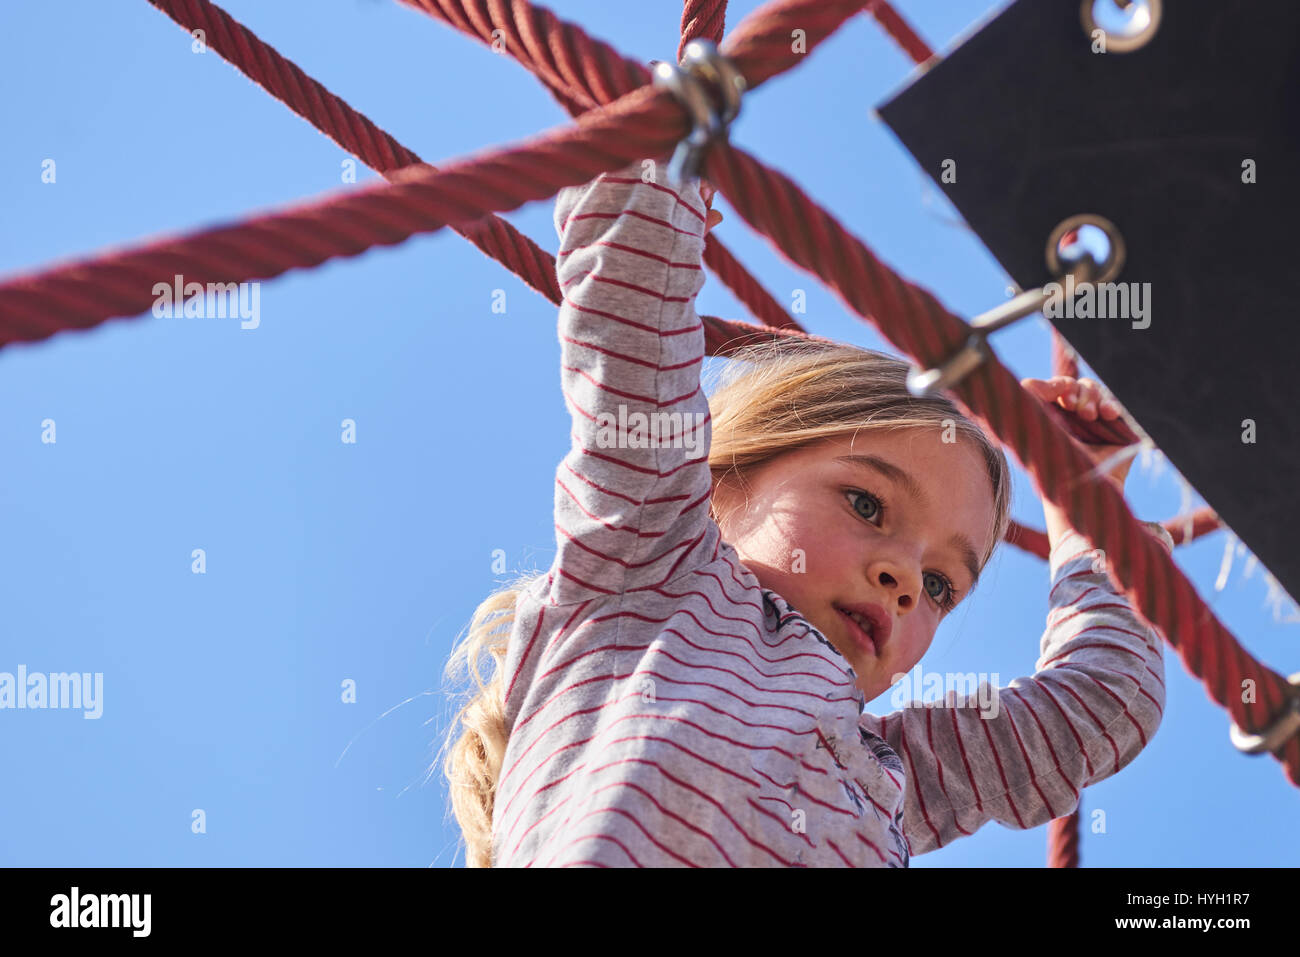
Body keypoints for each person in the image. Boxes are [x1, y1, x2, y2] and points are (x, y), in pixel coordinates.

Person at [439, 163, 1170, 867]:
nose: (905, 577)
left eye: (942, 585)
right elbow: (630, 345)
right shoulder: (647, 580)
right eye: (866, 503)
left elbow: (1101, 708)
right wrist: (658, 178)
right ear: (720, 483)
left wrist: (1086, 516)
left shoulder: (890, 778)